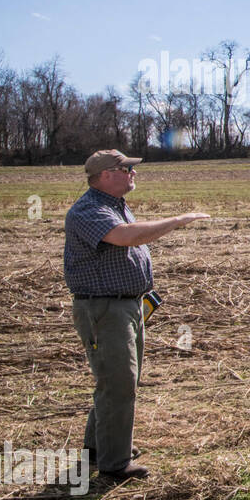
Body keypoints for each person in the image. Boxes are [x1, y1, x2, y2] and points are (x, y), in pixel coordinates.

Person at [64, 150, 210, 480]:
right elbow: (128, 237)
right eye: (125, 168)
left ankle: (98, 450)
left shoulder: (115, 205)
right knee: (118, 383)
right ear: (104, 175)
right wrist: (176, 221)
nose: (133, 172)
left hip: (126, 306)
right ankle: (114, 465)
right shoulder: (89, 210)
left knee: (117, 380)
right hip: (105, 309)